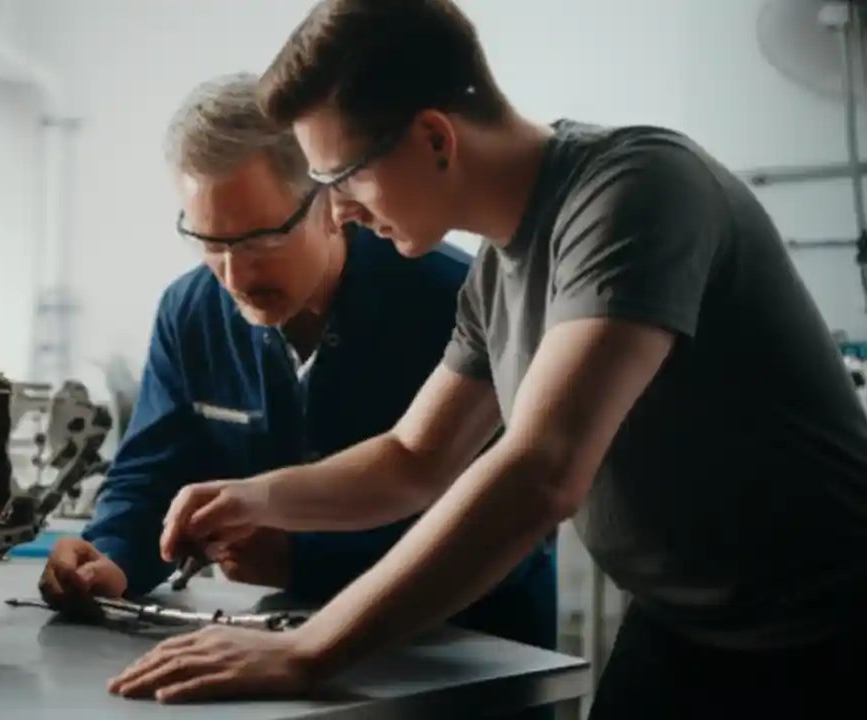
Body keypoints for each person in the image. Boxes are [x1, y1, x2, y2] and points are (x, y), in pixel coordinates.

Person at [107, 1, 867, 716]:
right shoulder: (500, 273)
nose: (337, 211)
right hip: (683, 625)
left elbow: (541, 473)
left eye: (341, 179)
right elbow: (414, 457)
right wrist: (257, 497)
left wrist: (310, 648)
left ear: (435, 138)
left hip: (829, 625)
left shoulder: (636, 191)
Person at [37, 72, 558, 653]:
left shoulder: (456, 300)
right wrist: (107, 559)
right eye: (211, 243)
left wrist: (303, 559)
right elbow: (148, 479)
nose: (235, 278)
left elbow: (505, 533)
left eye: (261, 240)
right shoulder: (190, 313)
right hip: (289, 657)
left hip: (470, 660)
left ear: (329, 200)